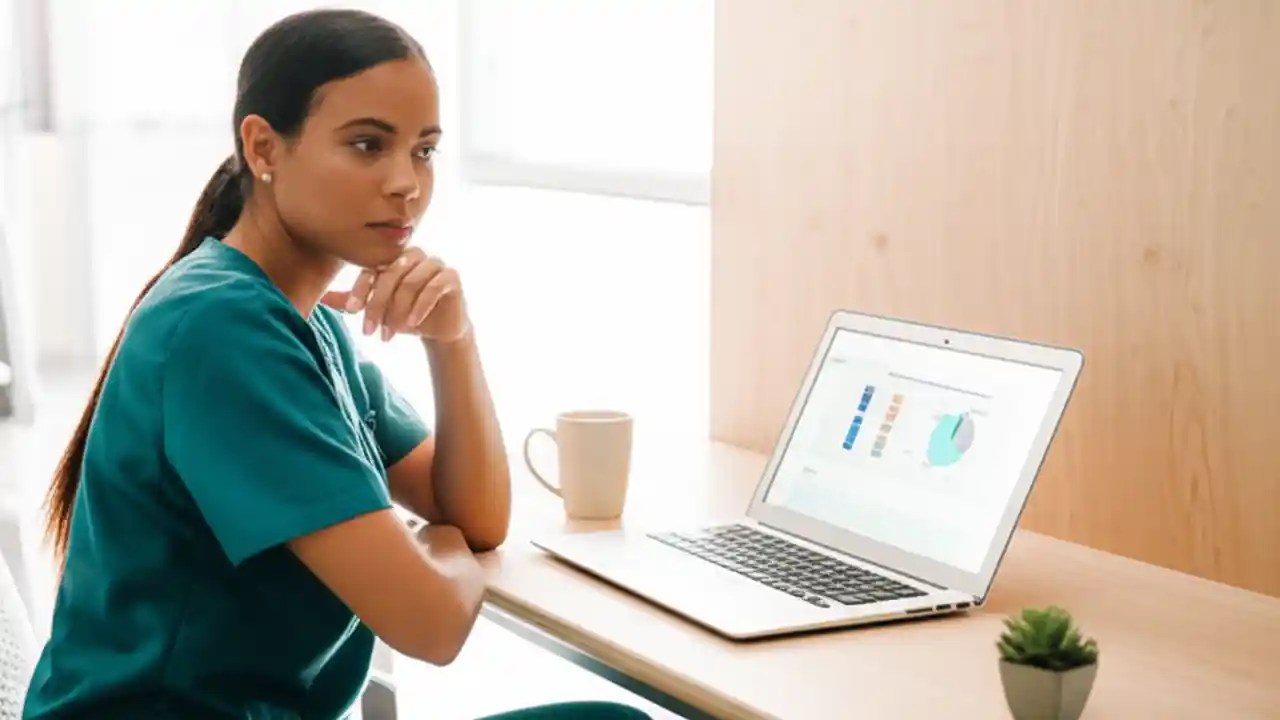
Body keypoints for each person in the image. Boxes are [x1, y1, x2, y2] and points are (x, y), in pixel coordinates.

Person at [22, 9, 649, 720]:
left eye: (424, 151)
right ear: (264, 147)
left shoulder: (305, 320)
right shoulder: (223, 329)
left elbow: (477, 515)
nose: (405, 183)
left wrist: (454, 339)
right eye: (366, 145)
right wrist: (428, 543)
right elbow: (431, 624)